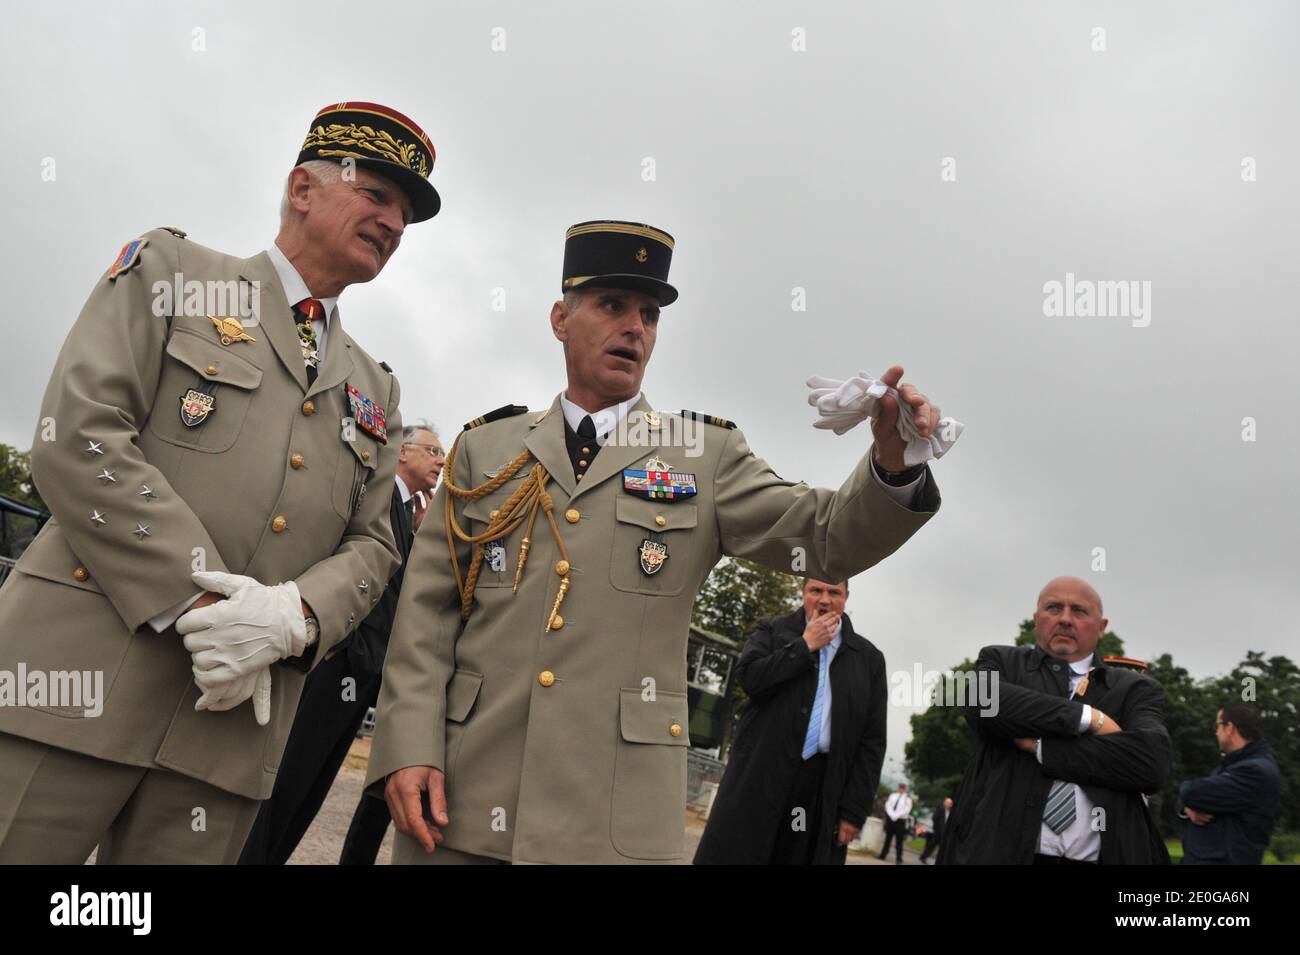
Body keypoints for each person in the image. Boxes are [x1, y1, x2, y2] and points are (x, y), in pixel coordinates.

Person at [367, 219, 949, 864]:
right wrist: (409, 745)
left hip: (614, 822)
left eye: (649, 313)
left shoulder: (704, 454)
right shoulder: (487, 449)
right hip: (465, 801)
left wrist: (893, 464)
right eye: (612, 305)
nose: (634, 327)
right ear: (561, 318)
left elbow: (825, 538)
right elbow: (427, 614)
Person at [0, 101, 440, 864]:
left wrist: (290, 616)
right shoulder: (173, 271)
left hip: (227, 738)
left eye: (405, 213)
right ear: (303, 188)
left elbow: (374, 545)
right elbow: (80, 433)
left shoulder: (377, 388)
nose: (394, 223)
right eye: (376, 194)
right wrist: (207, 604)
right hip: (73, 691)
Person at [238, 421, 444, 864]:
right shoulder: (378, 499)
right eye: (432, 450)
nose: (441, 460)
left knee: (309, 792)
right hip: (336, 665)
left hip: (362, 674)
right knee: (286, 784)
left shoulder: (409, 516)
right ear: (402, 453)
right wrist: (336, 643)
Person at [939, 577, 1171, 865]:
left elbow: (1151, 763)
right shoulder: (1002, 661)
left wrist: (1041, 747)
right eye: (1053, 608)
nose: (1064, 619)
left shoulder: (1134, 689)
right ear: (1036, 619)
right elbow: (983, 701)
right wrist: (1088, 718)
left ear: (1101, 627)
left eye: (1079, 611)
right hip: (998, 852)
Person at [693, 578, 886, 865]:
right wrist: (805, 645)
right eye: (815, 591)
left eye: (834, 592)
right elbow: (750, 679)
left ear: (846, 597)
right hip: (761, 774)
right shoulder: (772, 631)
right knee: (741, 852)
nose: (824, 600)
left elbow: (872, 741)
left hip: (819, 787)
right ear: (803, 593)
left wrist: (854, 810)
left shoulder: (868, 659)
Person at [1177, 701, 1281, 865]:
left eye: (1217, 726)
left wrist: (1186, 793)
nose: (1216, 732)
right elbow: (1190, 798)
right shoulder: (1234, 765)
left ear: (1230, 728)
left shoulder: (1254, 771)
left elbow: (1192, 793)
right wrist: (1186, 807)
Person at [878, 782, 913, 864]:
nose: (901, 789)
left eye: (903, 788)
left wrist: (896, 816)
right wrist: (891, 815)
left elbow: (907, 810)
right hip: (891, 819)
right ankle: (883, 855)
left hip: (900, 821)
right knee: (887, 839)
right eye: (900, 787)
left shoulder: (907, 799)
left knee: (899, 841)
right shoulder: (893, 796)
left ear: (905, 789)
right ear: (898, 788)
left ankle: (899, 858)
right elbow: (888, 805)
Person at [919, 796, 951, 863]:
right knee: (932, 845)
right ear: (945, 803)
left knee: (942, 848)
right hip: (938, 832)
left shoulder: (950, 812)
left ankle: (940, 860)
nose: (948, 804)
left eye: (950, 803)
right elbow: (934, 818)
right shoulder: (941, 809)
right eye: (947, 802)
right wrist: (936, 828)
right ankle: (923, 857)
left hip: (943, 832)